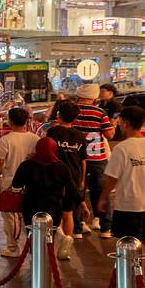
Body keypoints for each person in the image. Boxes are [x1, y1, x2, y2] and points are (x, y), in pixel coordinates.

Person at [12, 137, 83, 260]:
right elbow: (72, 189)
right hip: (53, 207)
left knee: (33, 236)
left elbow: (16, 184)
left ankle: (36, 263)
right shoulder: (62, 167)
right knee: (49, 238)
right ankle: (48, 263)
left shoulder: (27, 165)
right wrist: (83, 204)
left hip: (31, 206)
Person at [0, 106, 39, 257]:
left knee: (10, 215)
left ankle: (13, 247)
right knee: (27, 214)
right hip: (31, 182)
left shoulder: (5, 140)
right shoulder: (35, 138)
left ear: (10, 121)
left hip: (10, 181)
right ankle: (33, 246)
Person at [46, 100, 89, 245]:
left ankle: (55, 243)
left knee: (53, 212)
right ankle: (67, 245)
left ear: (59, 115)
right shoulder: (80, 135)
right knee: (68, 212)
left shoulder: (53, 132)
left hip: (54, 177)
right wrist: (82, 180)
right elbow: (83, 161)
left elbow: (48, 152)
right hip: (74, 177)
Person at [74, 83, 113, 237]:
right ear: (94, 96)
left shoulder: (72, 111)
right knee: (101, 191)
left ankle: (78, 228)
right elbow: (109, 135)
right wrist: (114, 126)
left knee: (78, 191)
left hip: (77, 157)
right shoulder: (100, 112)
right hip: (97, 157)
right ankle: (105, 228)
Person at [100, 105, 145, 240]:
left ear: (125, 124)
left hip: (128, 206)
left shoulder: (121, 149)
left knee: (126, 245)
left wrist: (103, 197)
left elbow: (112, 178)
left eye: (120, 123)